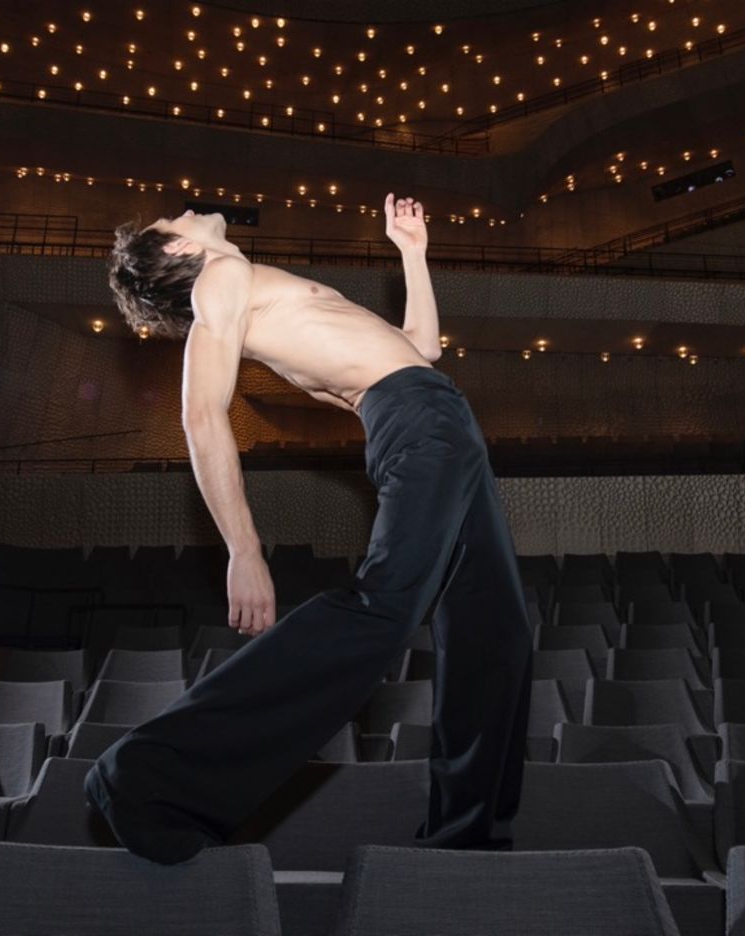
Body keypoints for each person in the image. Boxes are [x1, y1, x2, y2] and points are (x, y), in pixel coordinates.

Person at [88, 193, 533, 864]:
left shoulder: (260, 299)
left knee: (495, 635)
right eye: (171, 221)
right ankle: (145, 778)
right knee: (381, 610)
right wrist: (243, 549)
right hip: (420, 425)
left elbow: (421, 348)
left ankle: (467, 837)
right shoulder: (222, 277)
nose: (184, 213)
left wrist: (412, 254)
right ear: (178, 248)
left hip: (435, 417)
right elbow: (202, 413)